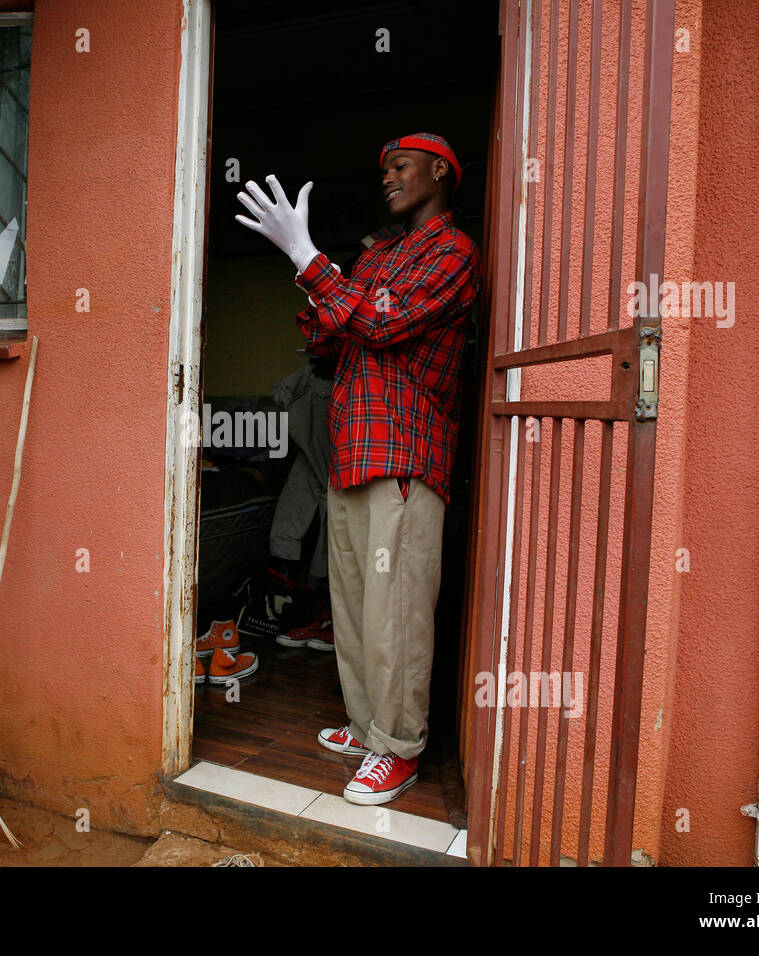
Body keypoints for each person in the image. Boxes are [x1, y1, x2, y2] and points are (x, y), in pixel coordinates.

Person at [234, 132, 482, 805]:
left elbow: (377, 324)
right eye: (383, 170)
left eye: (400, 167)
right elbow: (322, 332)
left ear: (440, 170)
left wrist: (314, 260)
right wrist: (308, 268)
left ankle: (398, 747)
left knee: (396, 610)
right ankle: (368, 724)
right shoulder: (383, 255)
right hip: (353, 451)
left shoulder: (453, 252)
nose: (389, 178)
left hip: (404, 450)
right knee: (355, 604)